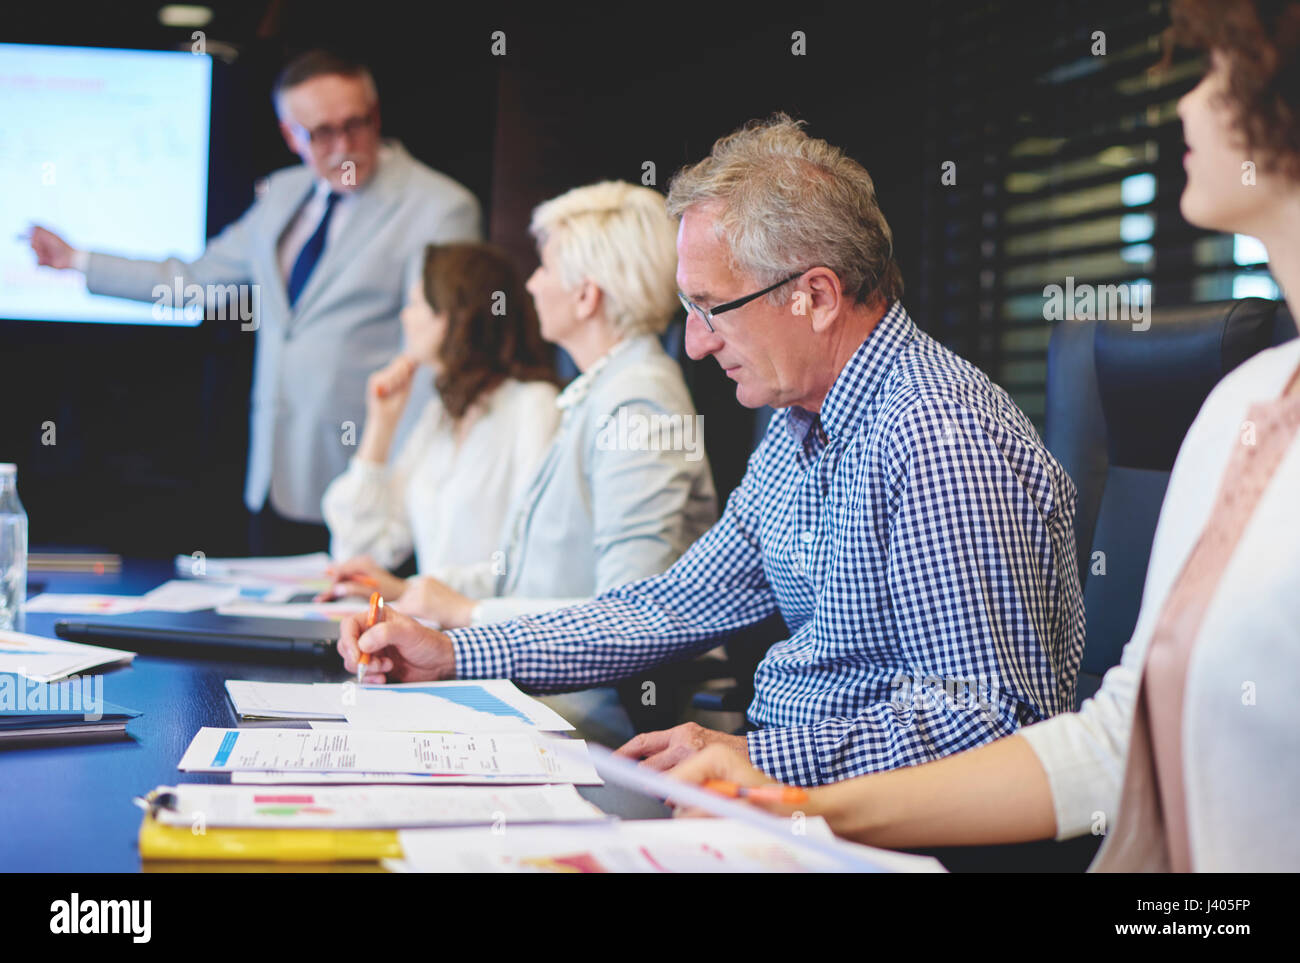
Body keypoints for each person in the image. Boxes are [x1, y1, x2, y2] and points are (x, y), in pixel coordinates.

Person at [668, 0, 1300, 872]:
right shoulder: (1246, 404)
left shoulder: (936, 427)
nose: (1185, 106)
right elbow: (1121, 739)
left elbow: (993, 715)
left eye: (1215, 73)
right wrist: (788, 801)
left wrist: (780, 778)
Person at [336, 118, 1086, 784]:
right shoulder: (800, 430)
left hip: (868, 829)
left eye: (712, 309)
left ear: (816, 296)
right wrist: (456, 652)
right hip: (780, 793)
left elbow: (993, 725)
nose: (694, 342)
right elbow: (664, 607)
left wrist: (763, 758)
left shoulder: (937, 435)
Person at [28, 50, 481, 554]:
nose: (344, 146)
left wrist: (392, 489)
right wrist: (79, 261)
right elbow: (194, 282)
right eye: (321, 133)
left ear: (376, 114)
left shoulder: (440, 207)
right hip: (273, 473)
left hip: (370, 485)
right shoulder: (283, 195)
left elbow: (430, 357)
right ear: (291, 136)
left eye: (357, 124)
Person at [329, 180, 718, 744]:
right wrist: (425, 592)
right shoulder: (602, 391)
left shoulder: (640, 404)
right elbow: (526, 568)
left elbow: (631, 618)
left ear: (587, 295)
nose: (530, 282)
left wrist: (465, 614)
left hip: (590, 722)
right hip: (541, 699)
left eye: (545, 266)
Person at [320, 242, 562, 594]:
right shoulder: (440, 416)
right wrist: (380, 427)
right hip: (432, 633)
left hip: (495, 638)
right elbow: (359, 551)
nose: (406, 316)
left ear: (456, 316)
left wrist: (408, 591)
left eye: (418, 303)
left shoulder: (535, 406)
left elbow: (527, 565)